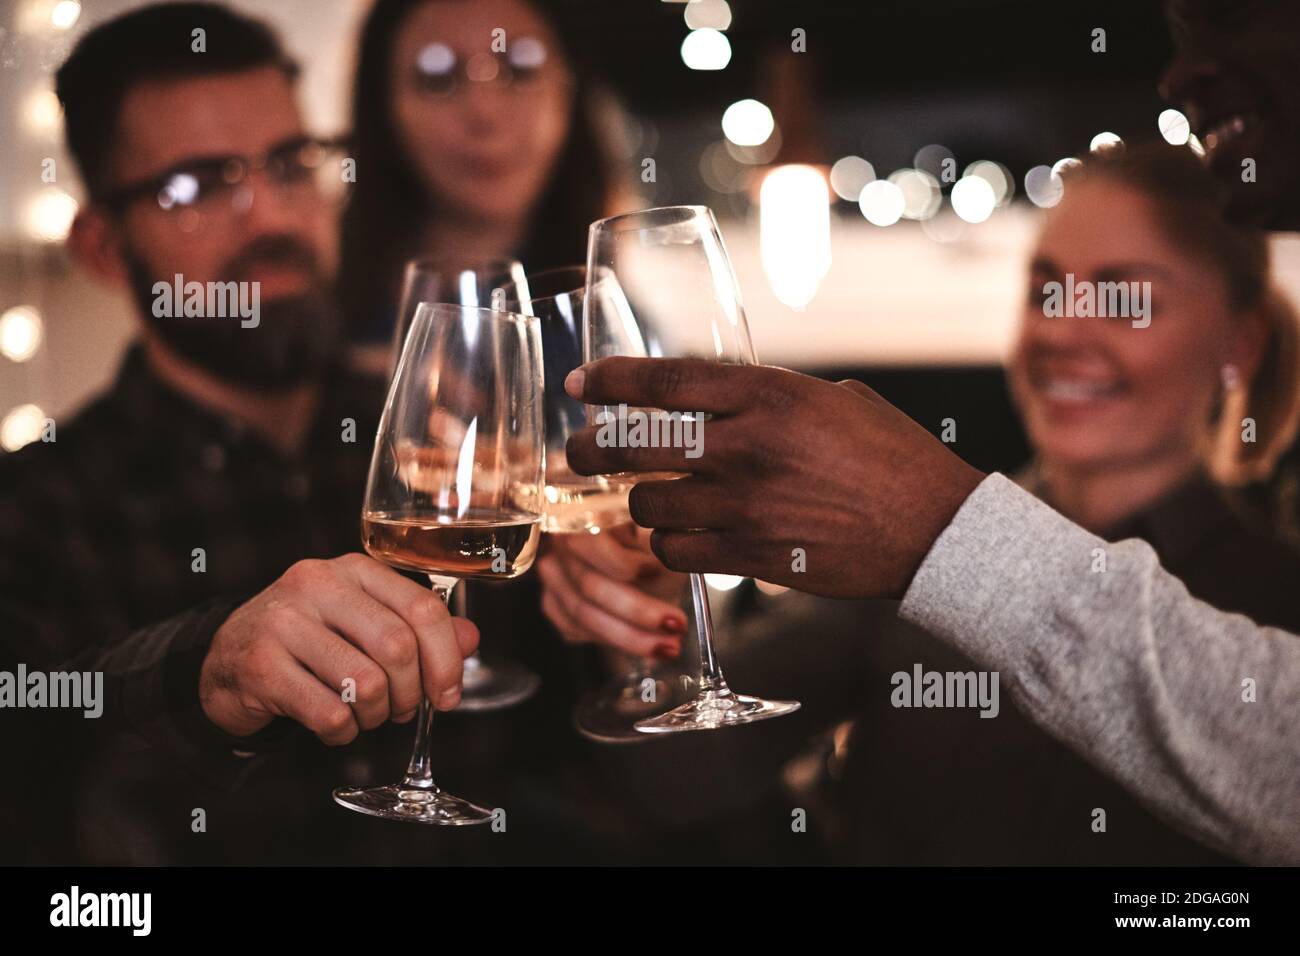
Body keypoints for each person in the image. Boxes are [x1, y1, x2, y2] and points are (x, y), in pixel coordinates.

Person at [556, 1, 1300, 864]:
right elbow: (676, 780)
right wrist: (650, 622)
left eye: (1122, 295)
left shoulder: (1275, 597)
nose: (1062, 329)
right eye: (1047, 288)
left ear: (1237, 343)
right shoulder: (889, 567)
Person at [0, 2, 477, 863]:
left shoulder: (434, 424)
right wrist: (205, 671)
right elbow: (30, 745)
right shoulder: (37, 506)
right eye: (198, 185)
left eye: (292, 163)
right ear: (104, 247)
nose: (269, 216)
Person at [338, 0, 626, 369]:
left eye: (520, 68)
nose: (484, 112)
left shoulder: (612, 338)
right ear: (383, 107)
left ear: (570, 89)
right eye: (438, 77)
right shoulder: (309, 311)